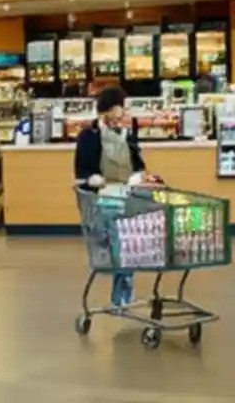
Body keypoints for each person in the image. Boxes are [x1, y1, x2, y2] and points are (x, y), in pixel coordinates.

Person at [74, 86, 146, 308]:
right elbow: (81, 172)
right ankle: (122, 296)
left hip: (125, 196)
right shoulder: (89, 136)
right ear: (104, 112)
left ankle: (122, 295)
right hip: (102, 201)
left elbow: (139, 165)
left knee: (128, 243)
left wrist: (137, 176)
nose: (120, 117)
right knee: (121, 243)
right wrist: (92, 179)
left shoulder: (128, 136)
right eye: (117, 111)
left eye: (122, 112)